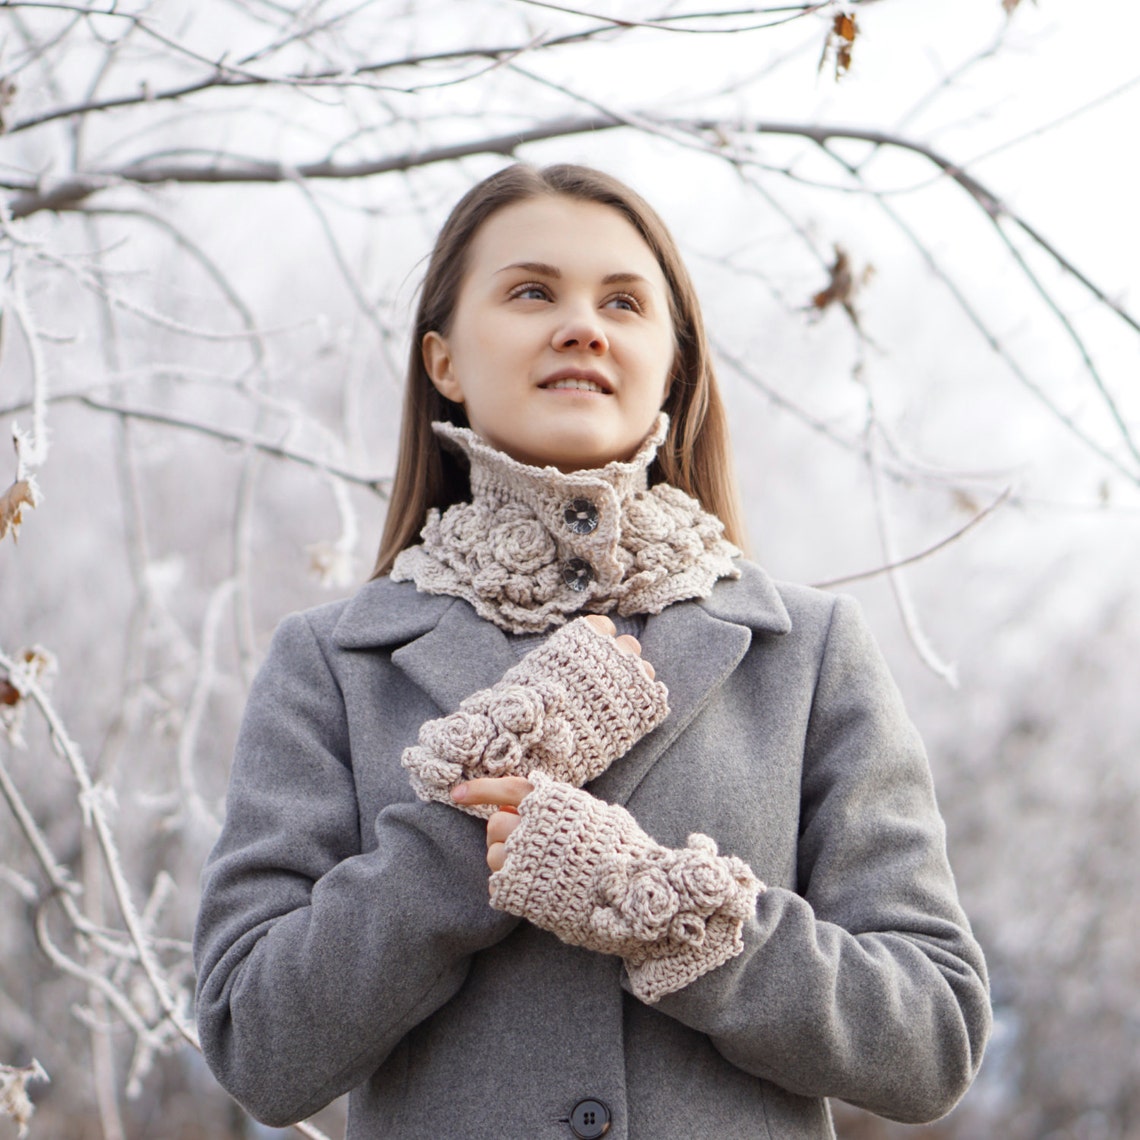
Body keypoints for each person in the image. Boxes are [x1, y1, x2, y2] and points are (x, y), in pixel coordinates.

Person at [193, 164, 990, 1140]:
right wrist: (467, 829)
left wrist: (649, 899)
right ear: (442, 360)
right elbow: (257, 1049)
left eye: (623, 300)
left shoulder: (809, 654)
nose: (581, 325)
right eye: (531, 292)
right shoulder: (332, 664)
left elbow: (931, 1040)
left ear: (673, 364)